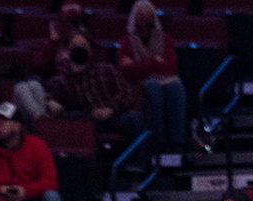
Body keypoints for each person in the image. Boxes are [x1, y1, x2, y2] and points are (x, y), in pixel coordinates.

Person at [45, 35, 143, 143]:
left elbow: (126, 92)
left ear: (90, 51)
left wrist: (111, 109)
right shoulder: (62, 80)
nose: (79, 49)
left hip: (113, 117)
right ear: (68, 51)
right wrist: (52, 103)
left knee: (133, 117)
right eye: (75, 46)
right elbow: (47, 97)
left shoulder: (106, 70)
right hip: (85, 122)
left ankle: (139, 154)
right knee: (71, 116)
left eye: (83, 46)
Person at [119, 1, 184, 148]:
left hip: (166, 78)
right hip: (140, 81)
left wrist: (141, 64)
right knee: (153, 87)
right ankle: (157, 140)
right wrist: (154, 62)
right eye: (140, 14)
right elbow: (126, 69)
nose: (143, 18)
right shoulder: (127, 41)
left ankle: (177, 140)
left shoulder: (165, 39)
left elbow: (172, 66)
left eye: (146, 14)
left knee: (176, 87)